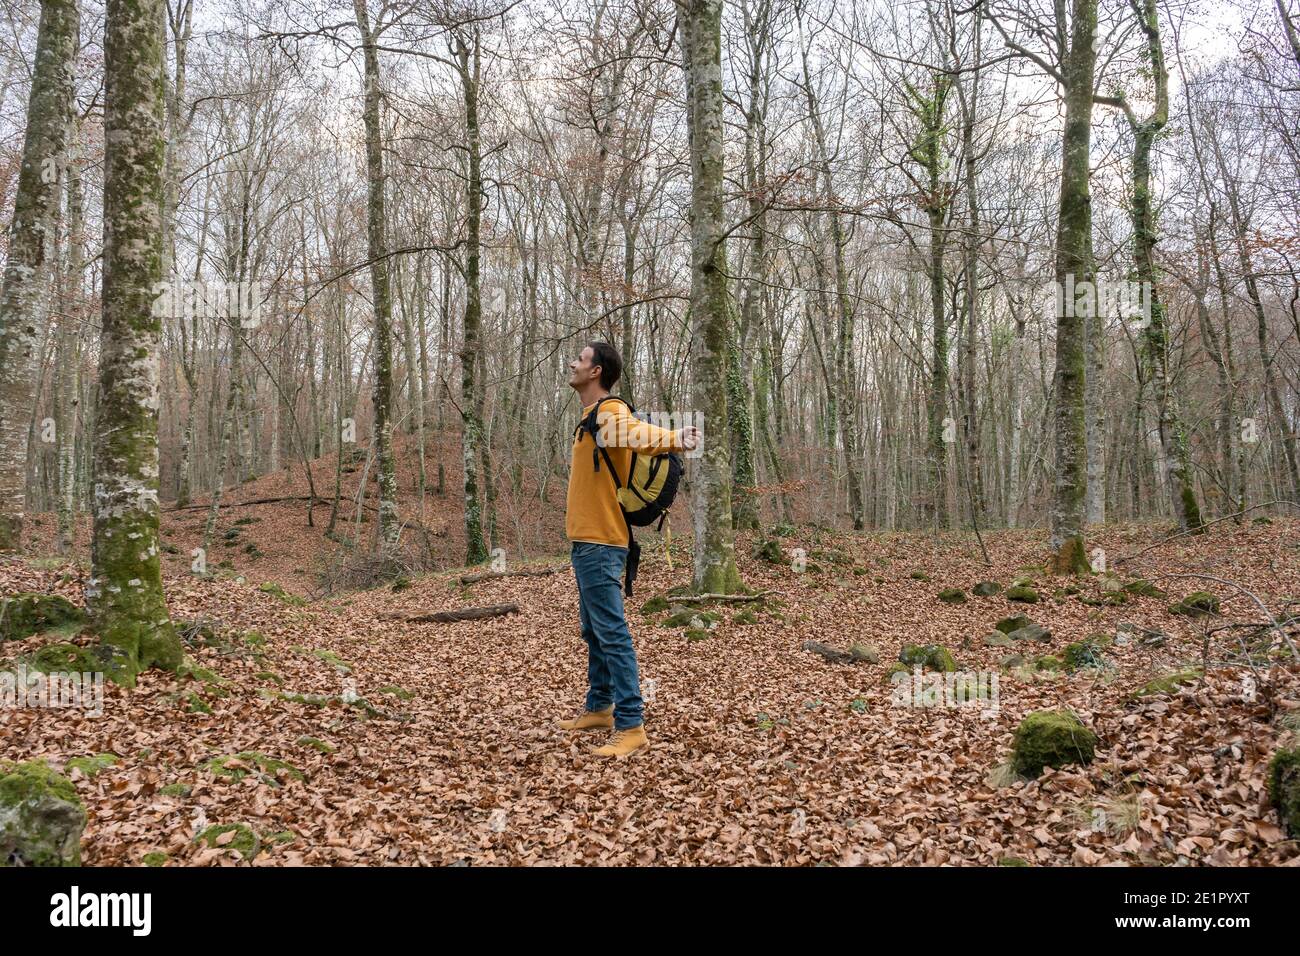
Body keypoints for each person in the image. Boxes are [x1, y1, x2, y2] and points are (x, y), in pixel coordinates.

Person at [559, 341, 700, 758]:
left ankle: (631, 723)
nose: (572, 363)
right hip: (587, 541)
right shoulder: (589, 415)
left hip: (602, 543)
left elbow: (634, 433)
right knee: (594, 630)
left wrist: (674, 437)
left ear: (596, 371)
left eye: (580, 359)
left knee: (613, 633)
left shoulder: (608, 411)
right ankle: (599, 707)